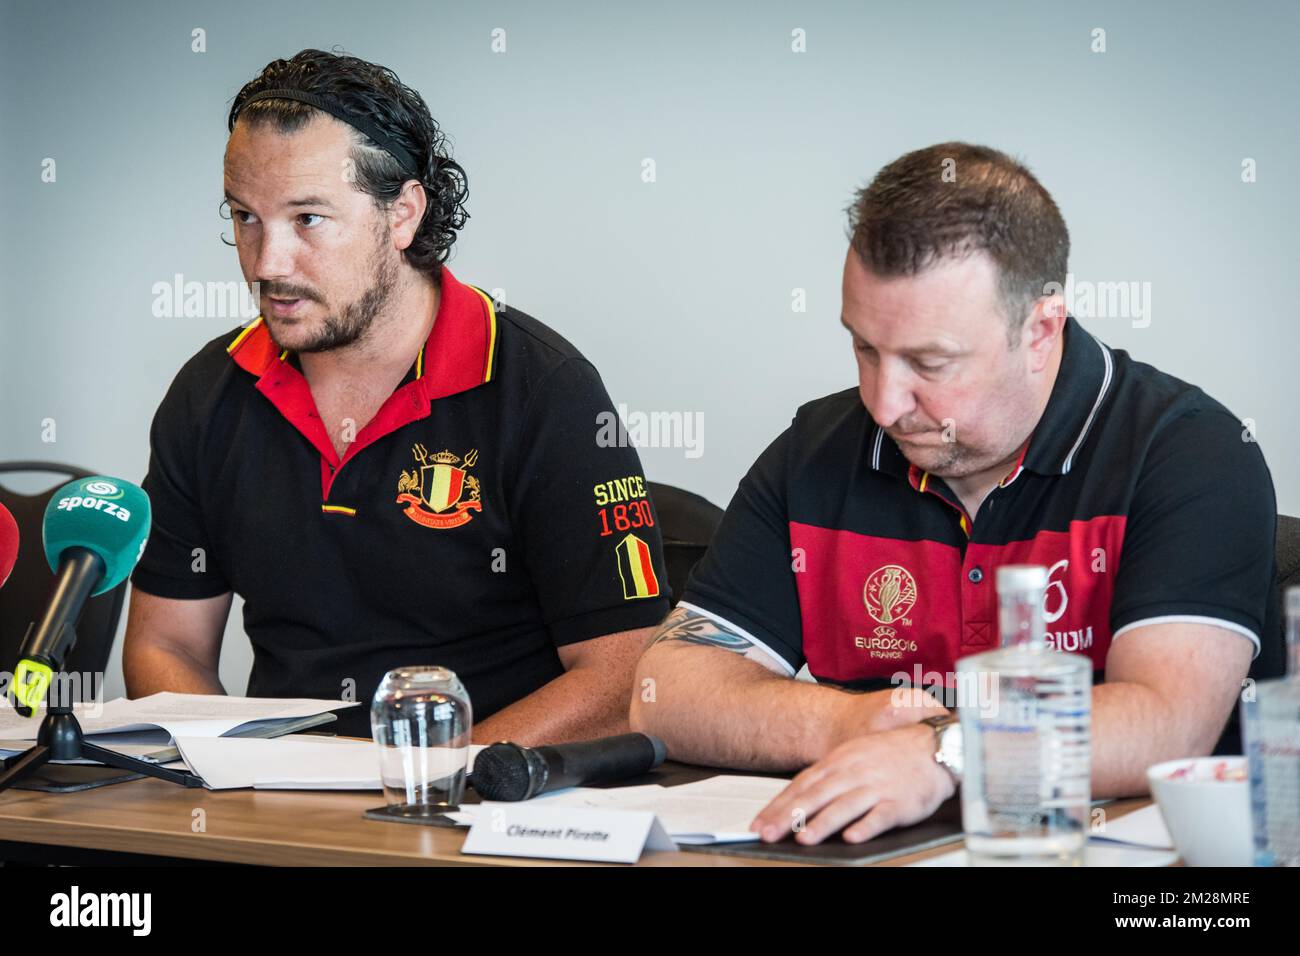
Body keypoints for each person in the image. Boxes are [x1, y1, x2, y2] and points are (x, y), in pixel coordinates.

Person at [630, 142, 1277, 845]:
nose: (882, 404)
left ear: (1040, 330)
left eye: (929, 362)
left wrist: (944, 752)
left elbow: (1165, 721)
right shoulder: (816, 453)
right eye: (865, 349)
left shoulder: (1190, 453)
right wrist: (849, 723)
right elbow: (665, 693)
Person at [125, 50, 670, 741]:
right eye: (246, 217)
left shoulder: (543, 388)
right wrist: (229, 768)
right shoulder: (212, 390)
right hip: (276, 815)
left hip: (486, 807)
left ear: (403, 213)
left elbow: (628, 672)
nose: (266, 264)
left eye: (308, 219)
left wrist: (436, 780)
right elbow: (164, 645)